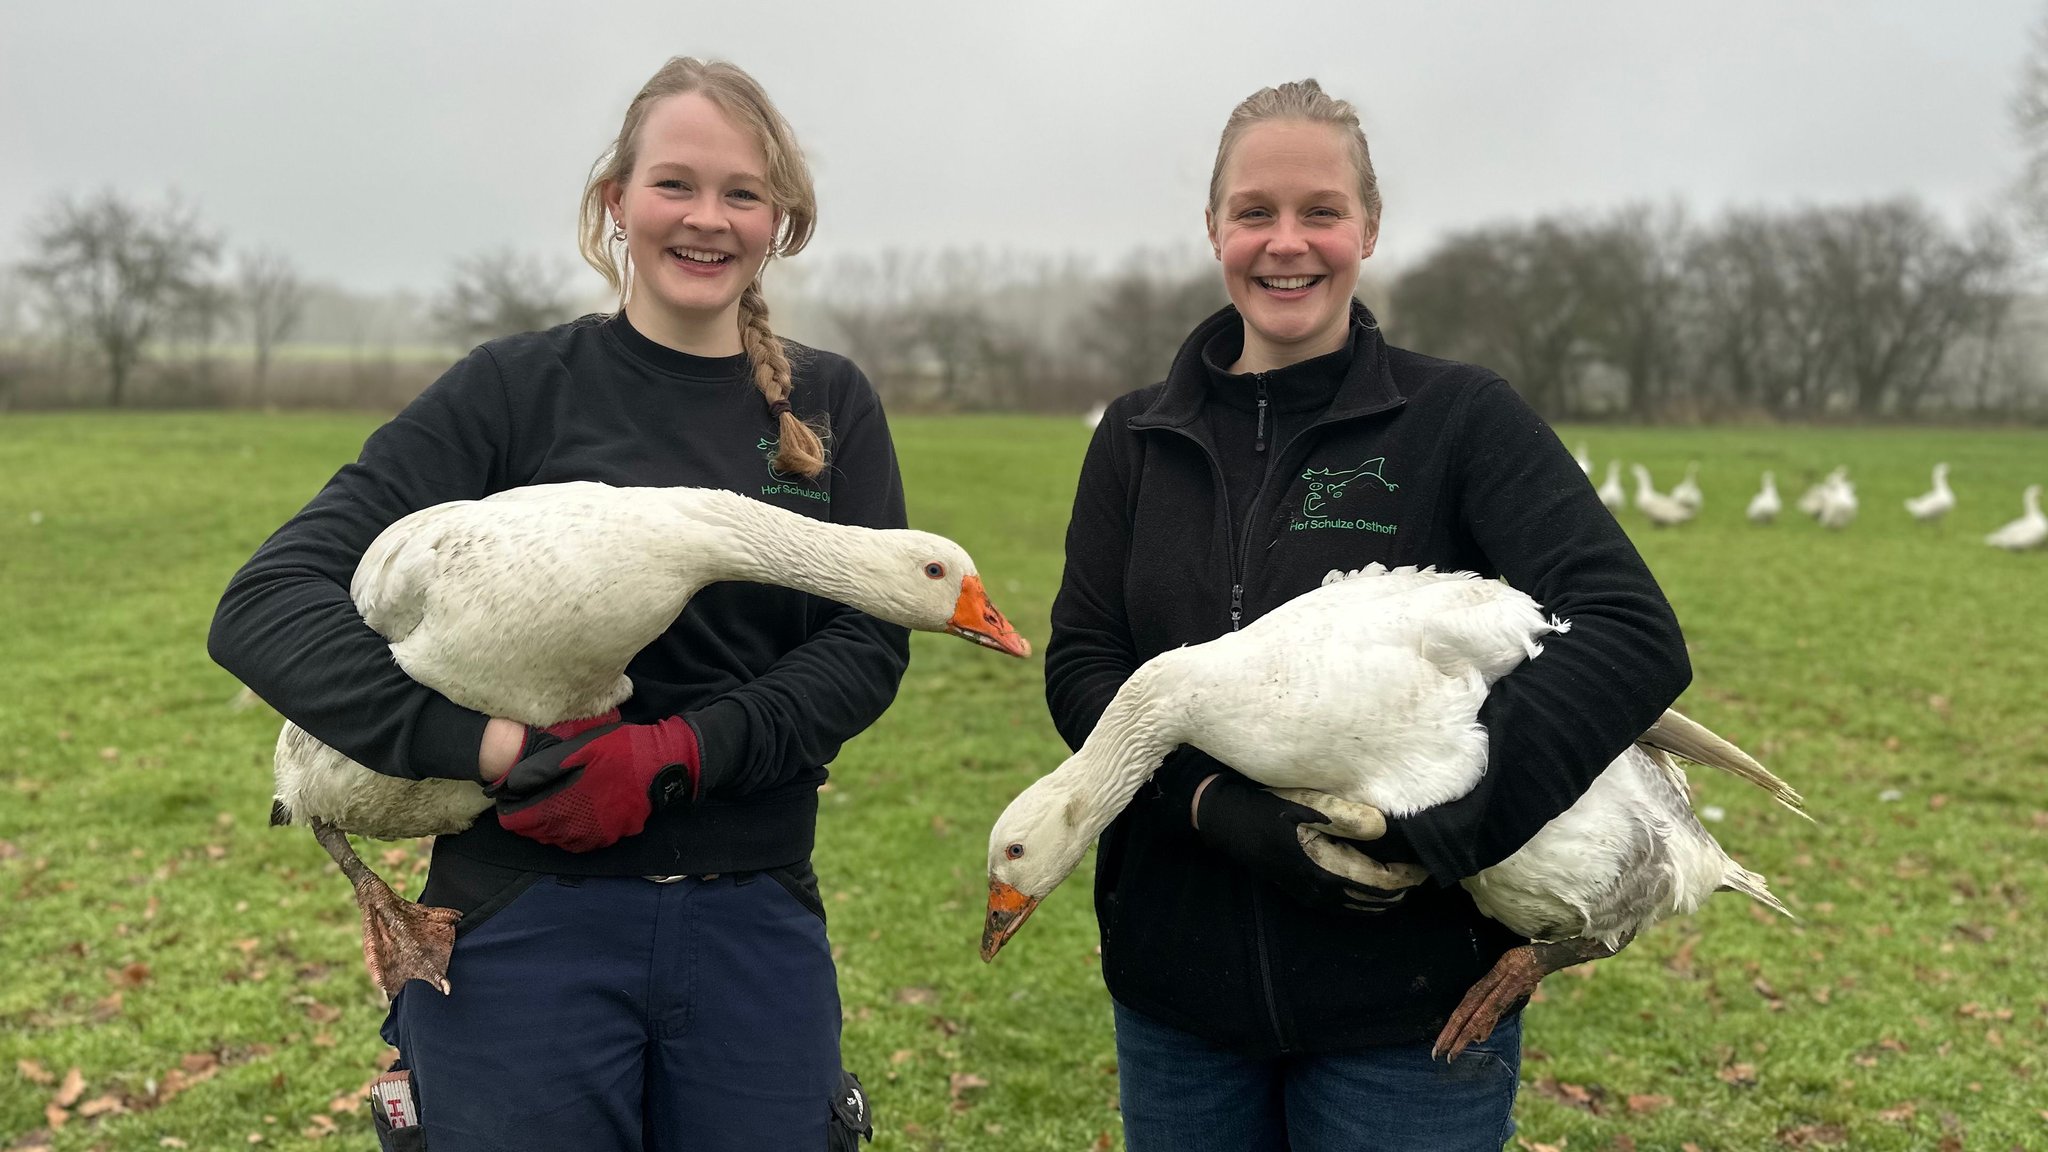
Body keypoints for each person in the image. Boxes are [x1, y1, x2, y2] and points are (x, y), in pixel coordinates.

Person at [209, 57, 894, 1152]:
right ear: (614, 200)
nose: (705, 219)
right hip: (523, 916)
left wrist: (677, 752)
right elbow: (265, 604)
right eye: (674, 184)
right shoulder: (513, 391)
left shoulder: (828, 406)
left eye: (741, 193)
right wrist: (480, 748)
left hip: (751, 912)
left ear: (781, 221)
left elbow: (862, 650)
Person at [1043, 80, 1691, 1152]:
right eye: (1253, 212)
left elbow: (1629, 631)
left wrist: (1446, 831)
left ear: (1368, 228)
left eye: (1319, 212)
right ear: (1213, 229)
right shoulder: (1134, 436)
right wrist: (1215, 811)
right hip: (1178, 1003)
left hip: (1408, 1017)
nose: (1284, 244)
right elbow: (1084, 667)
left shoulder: (1458, 420)